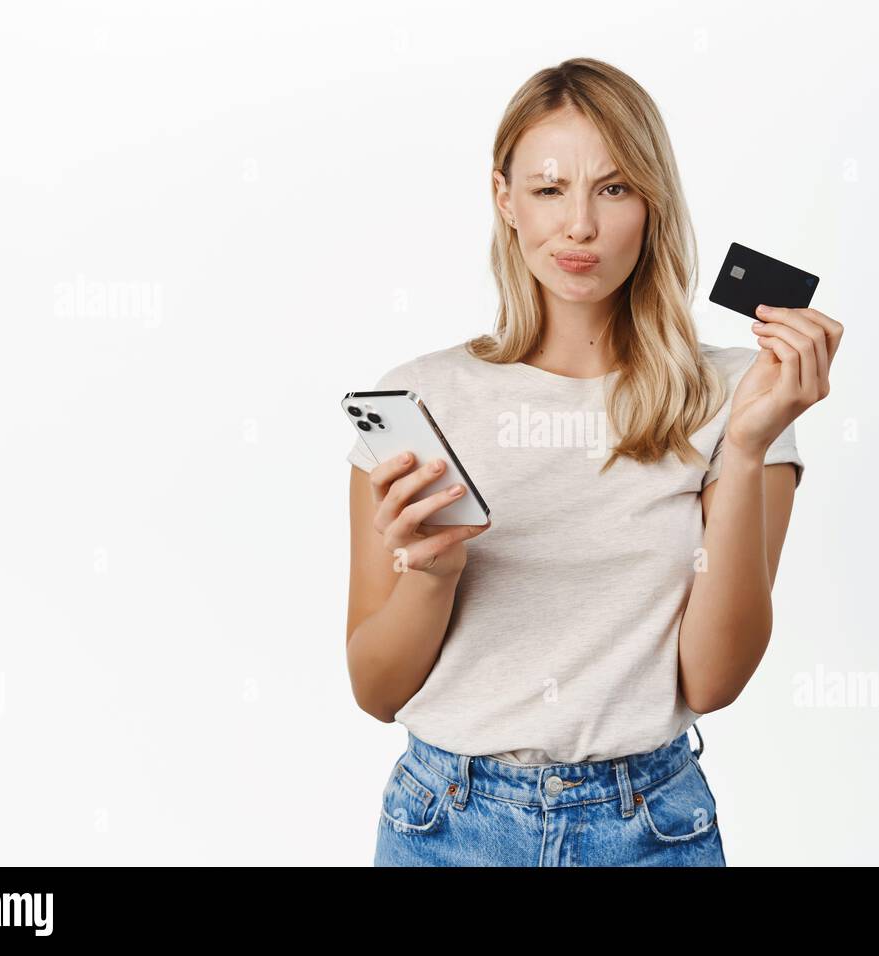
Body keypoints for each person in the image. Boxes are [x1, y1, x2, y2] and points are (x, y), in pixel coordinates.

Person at [346, 57, 842, 866]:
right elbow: (376, 691)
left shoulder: (736, 397)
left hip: (648, 826)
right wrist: (432, 576)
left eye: (613, 189)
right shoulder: (421, 397)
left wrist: (747, 451)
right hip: (445, 826)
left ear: (652, 203)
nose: (578, 225)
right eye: (548, 189)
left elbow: (711, 682)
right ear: (504, 199)